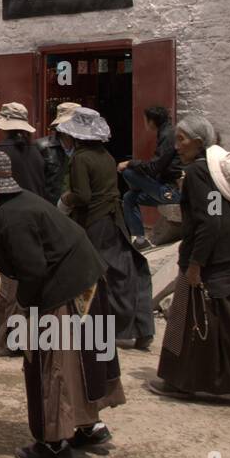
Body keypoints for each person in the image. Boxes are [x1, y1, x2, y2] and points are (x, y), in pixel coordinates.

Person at [0, 150, 125, 458]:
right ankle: (88, 426)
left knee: (51, 365)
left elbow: (33, 271)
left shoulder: (11, 214)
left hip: (64, 291)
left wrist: (26, 316)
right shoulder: (15, 204)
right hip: (88, 282)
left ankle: (53, 440)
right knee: (84, 360)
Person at [149, 116, 230, 411]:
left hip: (211, 260)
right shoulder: (220, 171)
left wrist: (197, 263)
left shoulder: (199, 174)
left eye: (182, 139)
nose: (177, 146)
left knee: (194, 318)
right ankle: (184, 381)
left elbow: (209, 221)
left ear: (199, 142)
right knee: (225, 319)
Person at [58, 107, 154, 350]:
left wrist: (65, 200)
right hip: (115, 219)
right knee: (127, 269)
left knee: (96, 274)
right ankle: (142, 327)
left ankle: (100, 329)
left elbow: (83, 195)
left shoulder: (81, 159)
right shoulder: (106, 156)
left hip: (95, 222)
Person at [119, 106, 184, 251]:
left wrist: (131, 163)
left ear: (152, 121)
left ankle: (137, 187)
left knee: (128, 173)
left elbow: (154, 168)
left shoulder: (168, 135)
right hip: (164, 187)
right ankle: (140, 240)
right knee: (130, 197)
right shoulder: (165, 134)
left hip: (171, 191)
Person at [35, 101, 79, 204]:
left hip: (76, 209)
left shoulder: (83, 148)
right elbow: (35, 183)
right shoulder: (42, 147)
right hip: (51, 207)